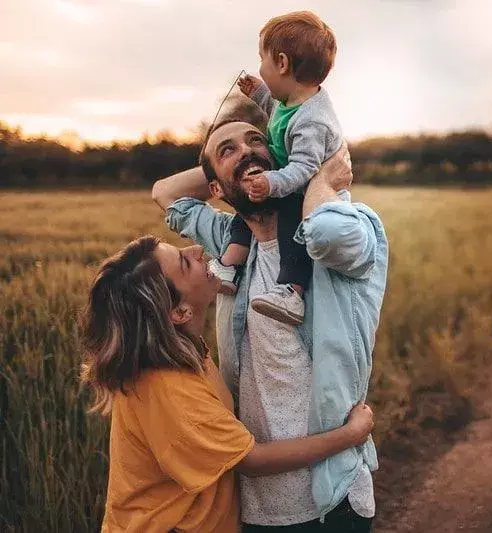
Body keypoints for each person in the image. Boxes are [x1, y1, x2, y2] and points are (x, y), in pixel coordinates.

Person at [151, 119, 388, 531]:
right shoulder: (232, 245)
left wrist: (317, 173)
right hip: (254, 506)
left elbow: (327, 231)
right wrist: (226, 169)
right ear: (215, 192)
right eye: (230, 149)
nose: (246, 150)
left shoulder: (349, 227)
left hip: (330, 501)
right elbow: (166, 194)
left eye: (257, 141)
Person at [79, 235, 374, 532]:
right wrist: (350, 435)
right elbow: (252, 460)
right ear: (180, 312)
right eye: (184, 262)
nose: (196, 249)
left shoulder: (184, 352)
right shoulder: (168, 388)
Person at [211, 11, 344, 327]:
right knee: (249, 210)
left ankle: (291, 291)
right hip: (286, 180)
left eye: (262, 59)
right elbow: (275, 110)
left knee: (291, 228)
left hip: (309, 194)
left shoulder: (313, 120)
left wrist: (271, 182)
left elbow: (304, 168)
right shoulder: (291, 101)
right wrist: (257, 91)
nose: (260, 66)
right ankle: (229, 268)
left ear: (282, 63)